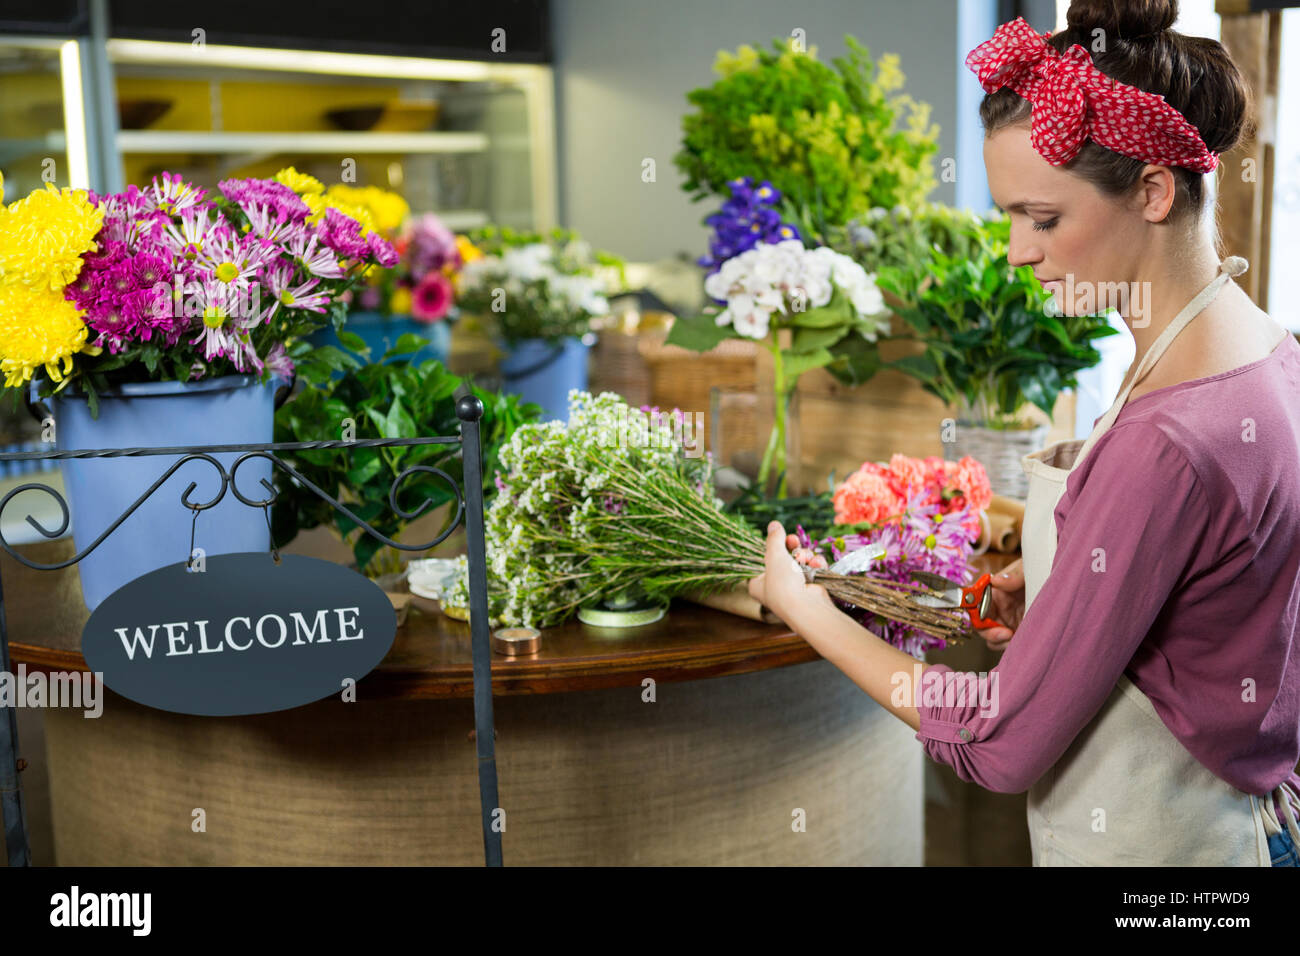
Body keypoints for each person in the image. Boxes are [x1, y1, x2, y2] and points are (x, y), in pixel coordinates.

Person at [748, 0, 1300, 866]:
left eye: (1042, 218)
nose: (1014, 249)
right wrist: (1063, 588)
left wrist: (805, 609)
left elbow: (1000, 740)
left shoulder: (1170, 437)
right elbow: (1222, 603)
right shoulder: (1263, 354)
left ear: (1154, 191)